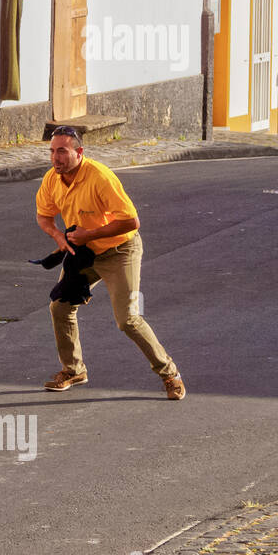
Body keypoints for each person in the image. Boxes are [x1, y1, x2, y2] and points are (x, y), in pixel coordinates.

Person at [35, 126, 185, 400]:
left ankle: (170, 374)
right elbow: (44, 216)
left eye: (62, 151)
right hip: (85, 253)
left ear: (79, 153)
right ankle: (73, 370)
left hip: (120, 250)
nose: (55, 158)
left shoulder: (100, 177)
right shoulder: (52, 179)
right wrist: (58, 235)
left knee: (128, 320)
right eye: (52, 151)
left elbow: (131, 221)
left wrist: (89, 233)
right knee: (60, 306)